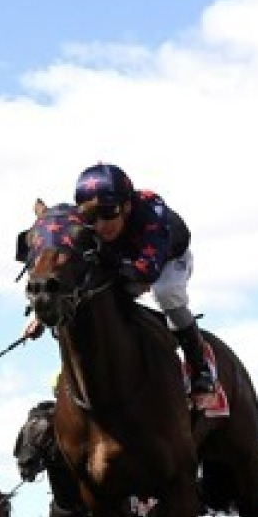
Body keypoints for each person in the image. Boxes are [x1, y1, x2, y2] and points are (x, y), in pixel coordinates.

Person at [22, 162, 215, 397]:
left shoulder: (152, 212)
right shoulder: (84, 220)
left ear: (126, 206)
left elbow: (146, 273)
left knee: (166, 293)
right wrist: (42, 312)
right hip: (125, 258)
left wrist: (109, 270)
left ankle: (200, 366)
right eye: (91, 216)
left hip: (166, 259)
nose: (101, 225)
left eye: (108, 213)